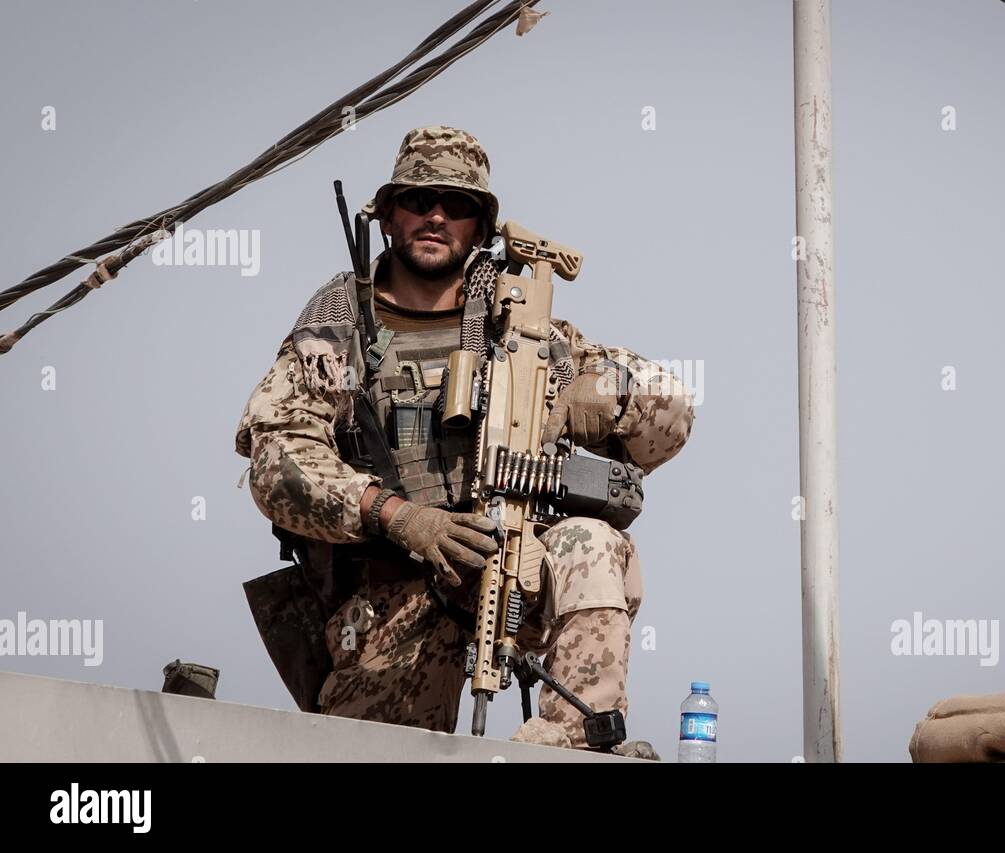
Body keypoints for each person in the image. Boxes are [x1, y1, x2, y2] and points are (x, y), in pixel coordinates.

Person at [234, 126, 694, 756]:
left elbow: (667, 419)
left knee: (591, 543)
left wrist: (586, 395)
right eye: (419, 200)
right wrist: (398, 517)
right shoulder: (340, 326)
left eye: (458, 205)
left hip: (515, 571)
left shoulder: (520, 326)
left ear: (481, 227)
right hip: (390, 598)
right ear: (389, 216)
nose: (436, 216)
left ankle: (570, 745)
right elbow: (279, 463)